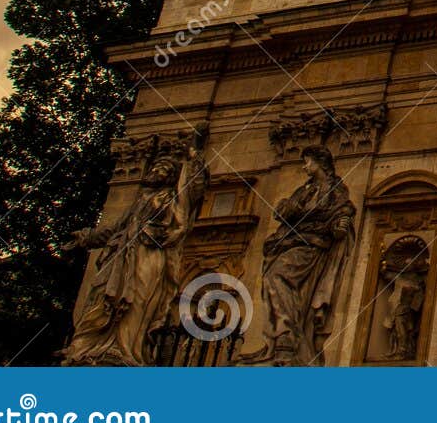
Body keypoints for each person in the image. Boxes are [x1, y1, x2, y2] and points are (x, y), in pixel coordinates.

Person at [63, 131, 208, 366]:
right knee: (104, 298)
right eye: (156, 165)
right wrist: (86, 238)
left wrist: (195, 156)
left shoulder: (174, 198)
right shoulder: (142, 200)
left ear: (173, 176)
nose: (155, 170)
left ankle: (125, 349)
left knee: (139, 301)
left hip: (150, 255)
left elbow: (192, 190)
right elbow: (116, 227)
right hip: (123, 256)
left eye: (163, 167)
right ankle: (93, 347)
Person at [240, 145, 354, 366]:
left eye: (308, 161)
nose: (304, 166)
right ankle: (283, 340)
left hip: (313, 246)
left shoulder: (335, 189)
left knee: (277, 275)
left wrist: (338, 224)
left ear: (320, 163)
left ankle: (287, 338)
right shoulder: (304, 191)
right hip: (293, 242)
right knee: (275, 278)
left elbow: (343, 212)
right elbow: (281, 211)